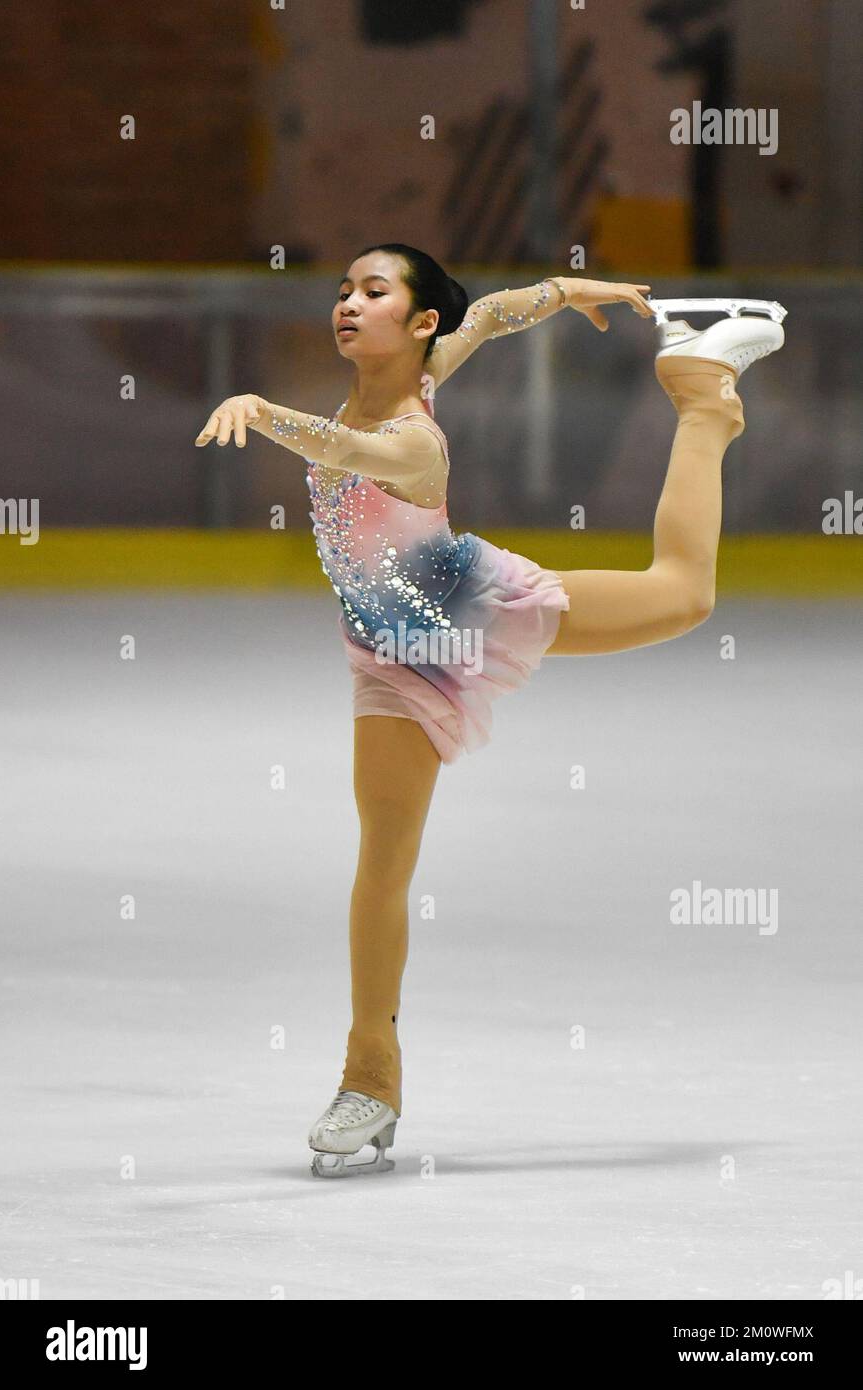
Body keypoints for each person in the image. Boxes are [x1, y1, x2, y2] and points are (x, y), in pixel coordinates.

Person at [194, 243, 785, 1177]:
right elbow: (496, 314)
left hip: (468, 611)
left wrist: (259, 408)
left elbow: (345, 450)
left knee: (683, 595)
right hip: (389, 653)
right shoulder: (425, 365)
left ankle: (703, 399)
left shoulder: (410, 438)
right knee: (381, 863)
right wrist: (566, 290)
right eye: (343, 290)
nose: (348, 303)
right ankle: (369, 1076)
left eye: (373, 292)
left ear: (417, 320)